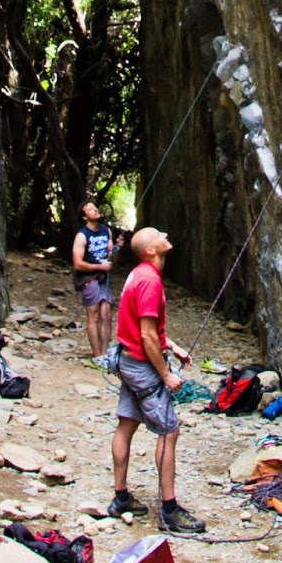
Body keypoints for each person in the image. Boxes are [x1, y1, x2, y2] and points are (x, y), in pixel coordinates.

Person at [109, 226, 206, 534]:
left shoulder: (137, 274)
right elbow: (147, 334)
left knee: (126, 423)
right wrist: (165, 375)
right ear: (150, 250)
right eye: (157, 235)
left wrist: (172, 347)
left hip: (126, 358)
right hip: (141, 366)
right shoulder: (150, 280)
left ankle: (121, 497)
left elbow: (146, 327)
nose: (165, 233)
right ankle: (169, 510)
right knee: (169, 431)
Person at [72, 199, 120, 367]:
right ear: (85, 217)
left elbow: (112, 258)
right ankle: (97, 355)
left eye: (95, 207)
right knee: (93, 314)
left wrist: (117, 249)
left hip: (103, 278)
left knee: (106, 314)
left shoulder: (106, 231)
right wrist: (100, 266)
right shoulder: (82, 235)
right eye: (91, 209)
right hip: (88, 278)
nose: (95, 210)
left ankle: (106, 354)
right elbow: (77, 263)